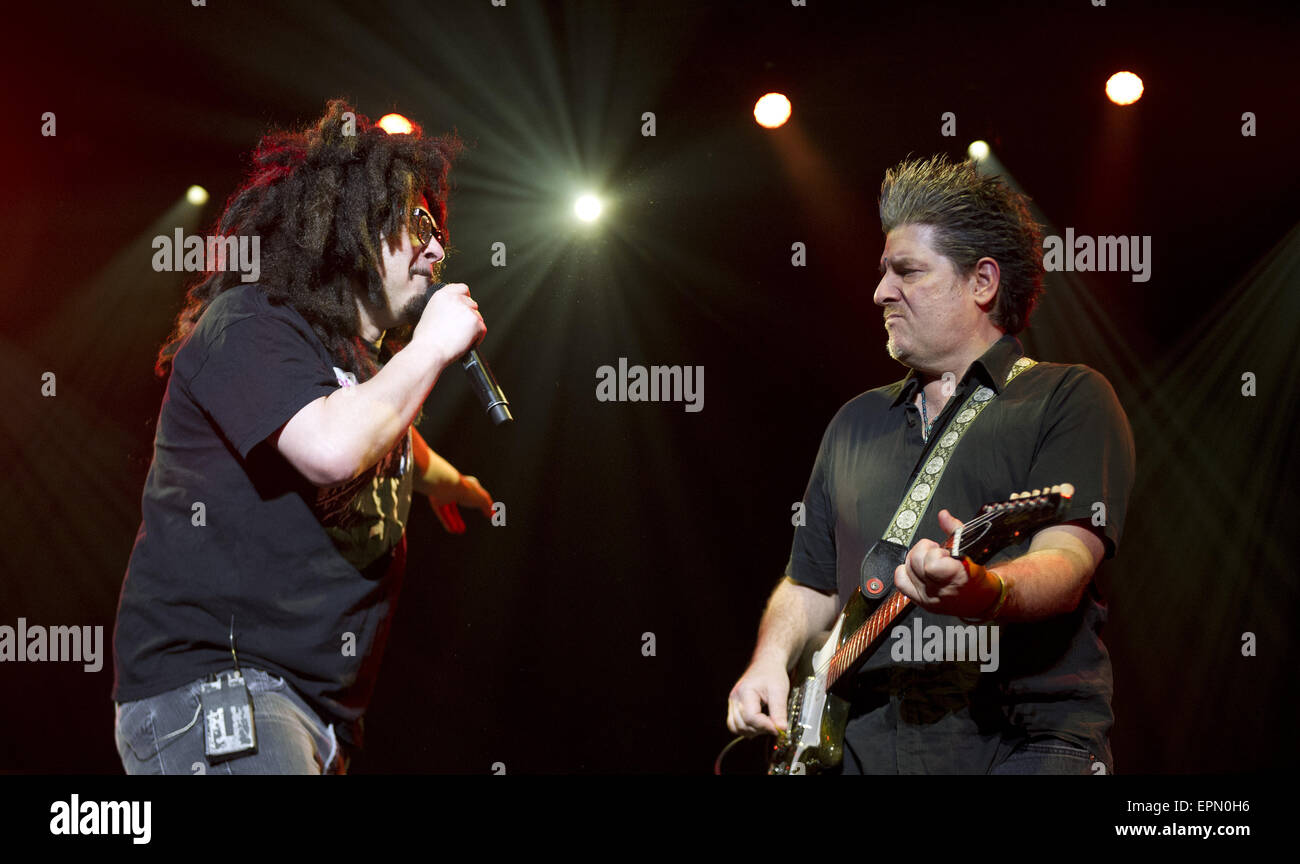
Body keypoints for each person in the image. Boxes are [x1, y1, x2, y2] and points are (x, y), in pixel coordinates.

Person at [113, 100, 494, 774]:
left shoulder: (358, 375)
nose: (438, 247)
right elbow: (331, 446)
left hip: (317, 715)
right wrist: (431, 348)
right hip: (220, 687)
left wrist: (452, 482)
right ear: (352, 226)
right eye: (419, 223)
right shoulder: (251, 323)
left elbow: (395, 442)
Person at [726, 155, 1136, 774]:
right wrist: (767, 661)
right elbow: (810, 582)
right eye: (883, 271)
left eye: (907, 271)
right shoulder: (854, 421)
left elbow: (1068, 560)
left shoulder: (1066, 397)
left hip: (1017, 737)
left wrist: (984, 590)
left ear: (982, 282)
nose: (880, 291)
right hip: (861, 744)